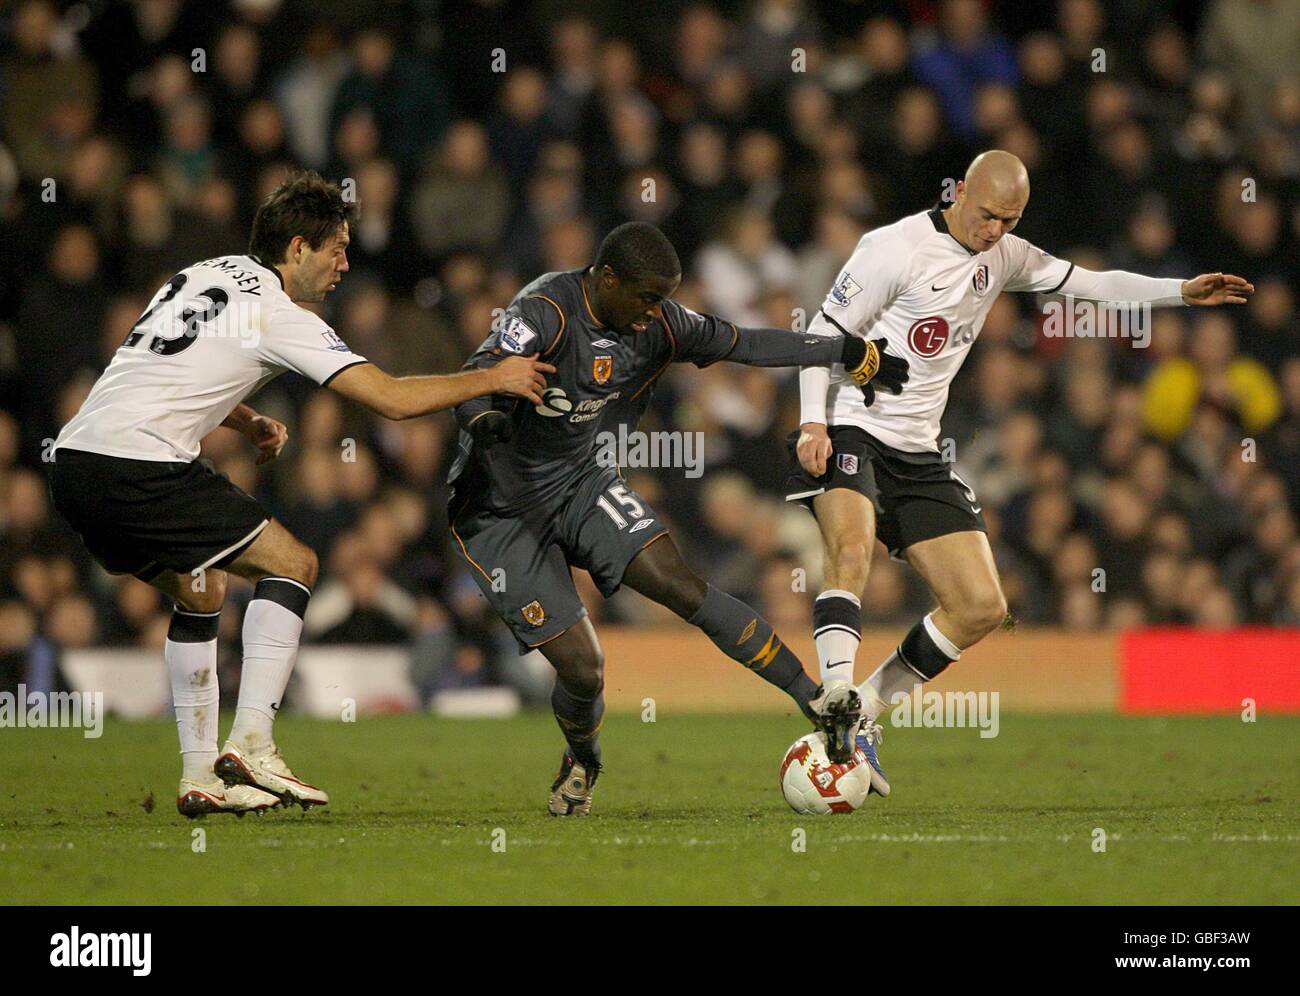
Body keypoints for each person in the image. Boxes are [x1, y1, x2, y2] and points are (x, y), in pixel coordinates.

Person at [48, 171, 552, 817]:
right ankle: (253, 741)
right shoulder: (281, 313)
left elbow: (157, 364)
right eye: (336, 249)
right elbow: (392, 399)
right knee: (295, 564)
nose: (345, 263)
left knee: (201, 589)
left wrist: (245, 419)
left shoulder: (202, 273)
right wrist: (492, 377)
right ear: (295, 249)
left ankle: (201, 775)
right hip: (139, 463)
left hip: (76, 463)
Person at [789, 149, 1254, 789]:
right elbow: (821, 331)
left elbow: (1093, 284)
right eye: (987, 216)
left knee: (981, 607)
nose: (995, 231)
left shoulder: (1005, 256)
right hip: (850, 422)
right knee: (851, 547)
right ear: (960, 194)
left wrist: (1177, 292)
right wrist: (813, 421)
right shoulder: (891, 248)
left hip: (919, 450)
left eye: (1009, 220)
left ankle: (861, 713)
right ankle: (834, 693)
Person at [448, 221, 908, 815]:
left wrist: (844, 350)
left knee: (678, 583)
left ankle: (814, 697)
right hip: (500, 509)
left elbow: (747, 343)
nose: (654, 312)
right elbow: (471, 384)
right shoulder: (544, 311)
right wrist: (486, 420)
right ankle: (584, 757)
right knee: (585, 670)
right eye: (645, 297)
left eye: (663, 298)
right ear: (606, 278)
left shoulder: (661, 323)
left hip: (583, 482)